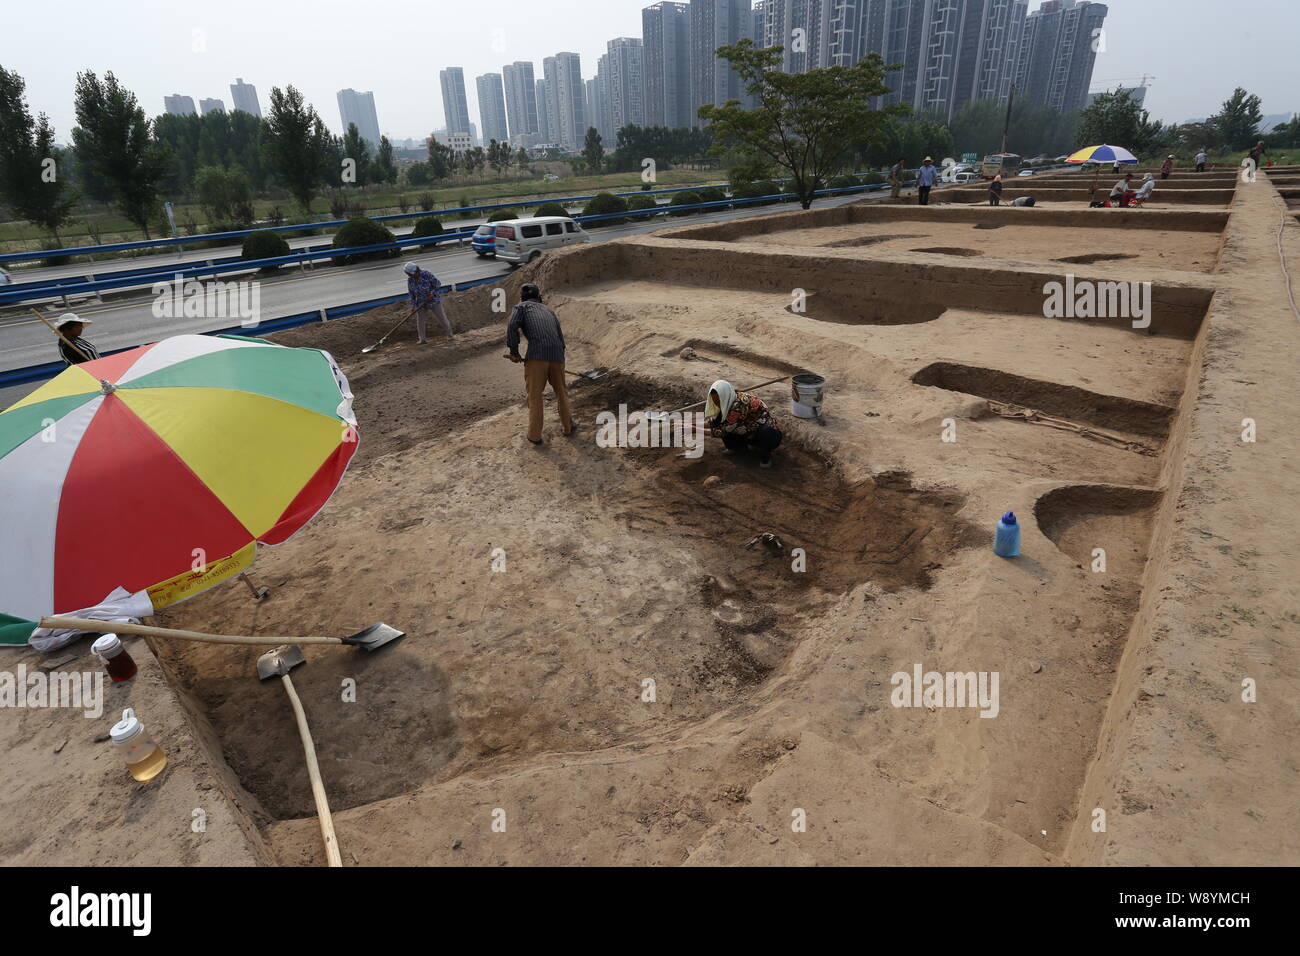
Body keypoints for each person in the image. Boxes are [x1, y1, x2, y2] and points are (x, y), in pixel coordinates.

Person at [505, 283, 573, 445]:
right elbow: (560, 337)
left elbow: (512, 325)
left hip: (537, 355)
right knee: (562, 393)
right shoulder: (549, 310)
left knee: (535, 396)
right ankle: (568, 427)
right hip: (557, 355)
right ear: (539, 298)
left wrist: (514, 352)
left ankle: (534, 436)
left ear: (522, 298)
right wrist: (558, 360)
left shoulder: (520, 308)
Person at [704, 380, 782, 468]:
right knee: (724, 422)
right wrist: (691, 424)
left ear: (724, 395)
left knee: (766, 432)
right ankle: (737, 447)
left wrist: (694, 429)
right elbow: (714, 422)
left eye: (718, 399)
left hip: (769, 435)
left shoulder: (739, 405)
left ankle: (765, 458)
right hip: (749, 432)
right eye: (714, 400)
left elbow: (721, 431)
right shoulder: (727, 401)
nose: (716, 403)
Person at [403, 261, 453, 344]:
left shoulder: (426, 274)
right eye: (409, 274)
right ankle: (422, 339)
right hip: (420, 302)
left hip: (433, 301)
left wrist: (431, 293)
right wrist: (413, 306)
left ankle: (450, 335)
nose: (410, 276)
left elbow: (437, 284)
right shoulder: (410, 280)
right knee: (420, 321)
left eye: (411, 274)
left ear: (416, 271)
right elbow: (411, 293)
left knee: (442, 318)